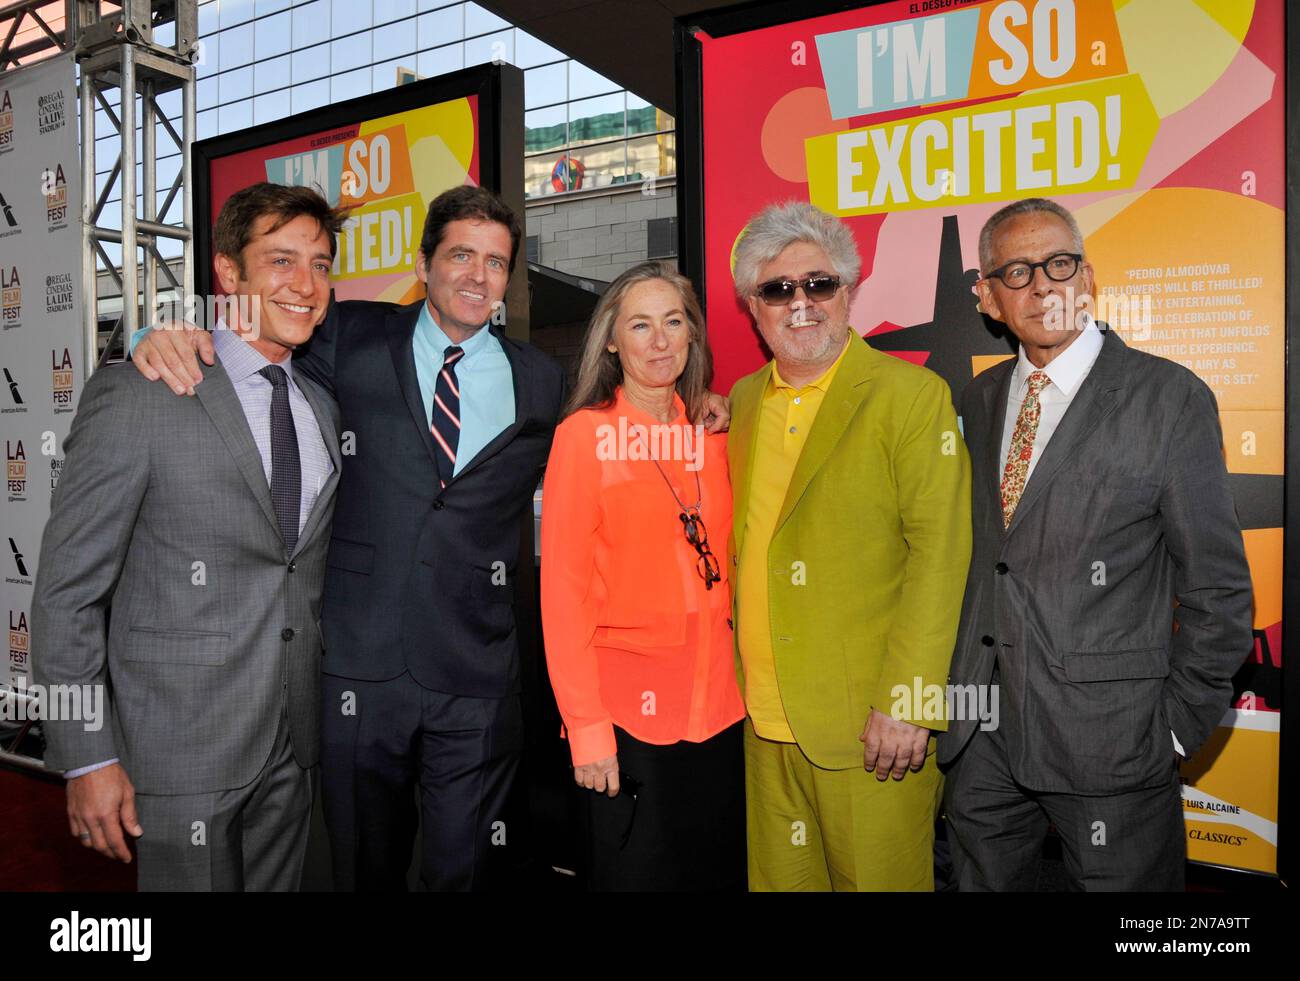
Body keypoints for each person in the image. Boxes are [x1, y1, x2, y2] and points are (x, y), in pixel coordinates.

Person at [129, 185, 730, 890]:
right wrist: (158, 334)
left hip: (475, 679)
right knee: (362, 869)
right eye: (462, 255)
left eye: (498, 263)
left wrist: (704, 403)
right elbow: (252, 348)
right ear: (424, 263)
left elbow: (619, 423)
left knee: (466, 873)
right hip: (359, 671)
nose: (479, 275)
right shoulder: (346, 335)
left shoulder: (539, 381)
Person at [32, 183, 347, 890]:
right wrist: (85, 755)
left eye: (322, 264)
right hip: (179, 751)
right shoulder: (142, 390)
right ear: (228, 273)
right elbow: (64, 593)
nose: (307, 284)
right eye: (282, 261)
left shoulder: (321, 405)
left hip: (294, 746)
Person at [938, 197, 1254, 891]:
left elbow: (1219, 588)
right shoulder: (976, 401)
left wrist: (1172, 729)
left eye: (1059, 263)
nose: (1043, 285)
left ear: (1088, 278)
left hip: (1113, 743)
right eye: (1016, 272)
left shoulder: (1167, 398)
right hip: (979, 735)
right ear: (987, 298)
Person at [726, 201, 972, 890]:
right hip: (762, 727)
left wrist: (909, 699)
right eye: (777, 289)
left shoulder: (910, 396)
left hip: (874, 732)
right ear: (753, 306)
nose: (800, 303)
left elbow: (941, 555)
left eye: (818, 284)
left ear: (849, 290)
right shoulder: (742, 402)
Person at [541, 261, 746, 891]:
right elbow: (563, 596)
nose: (659, 341)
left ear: (692, 335)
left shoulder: (713, 431)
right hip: (628, 721)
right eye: (640, 325)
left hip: (721, 714)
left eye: (674, 322)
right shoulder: (584, 436)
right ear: (611, 340)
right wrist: (586, 728)